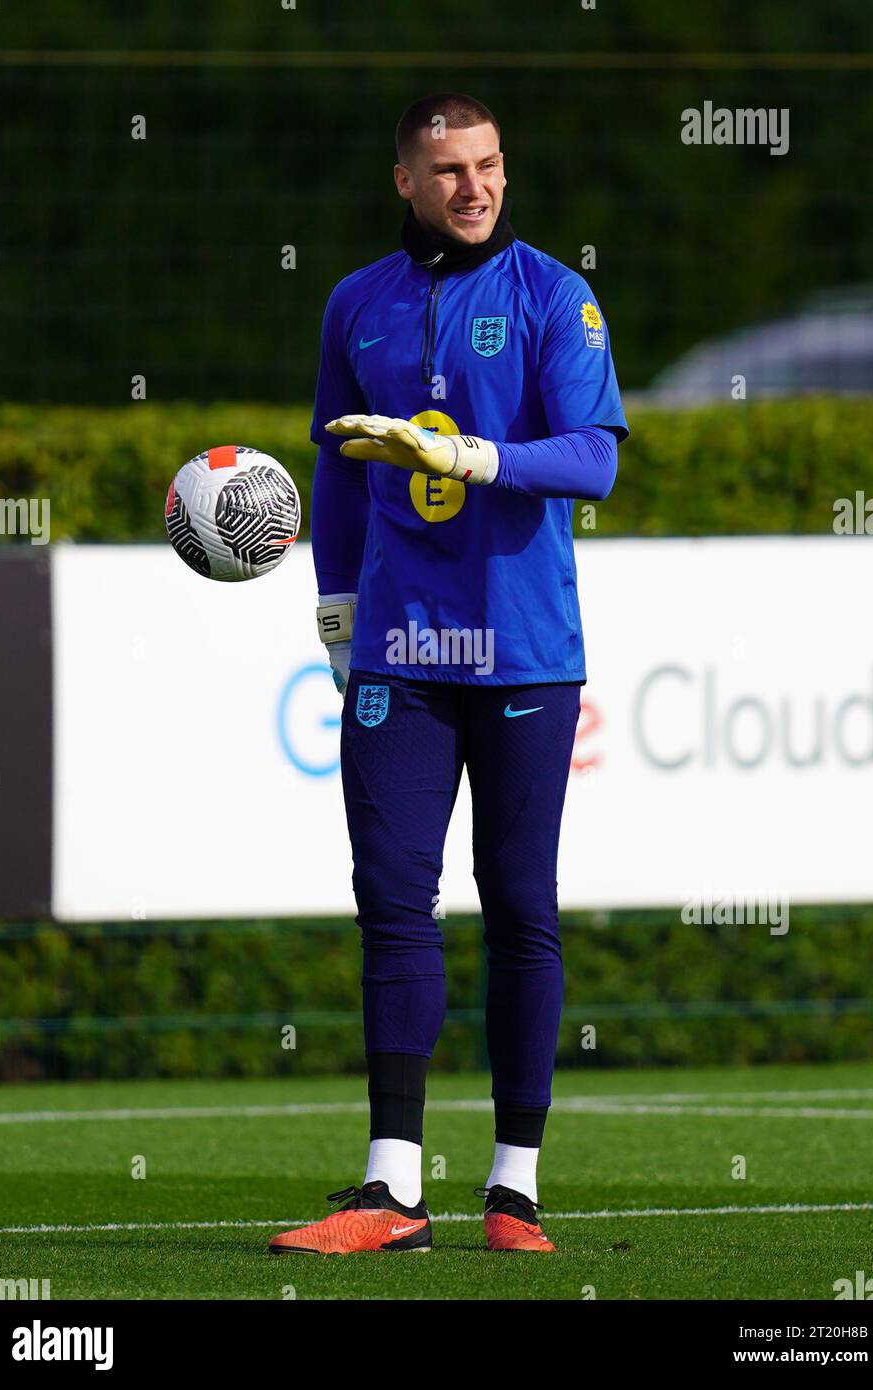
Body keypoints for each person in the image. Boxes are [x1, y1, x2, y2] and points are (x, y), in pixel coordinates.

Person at [270, 92, 628, 1256]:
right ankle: (390, 1191)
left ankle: (512, 1192)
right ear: (404, 184)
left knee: (519, 905)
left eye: (486, 166)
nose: (472, 186)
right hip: (398, 655)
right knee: (391, 902)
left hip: (522, 650)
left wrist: (467, 457)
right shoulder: (354, 304)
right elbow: (332, 469)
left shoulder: (551, 297)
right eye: (447, 169)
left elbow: (591, 461)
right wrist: (334, 607)